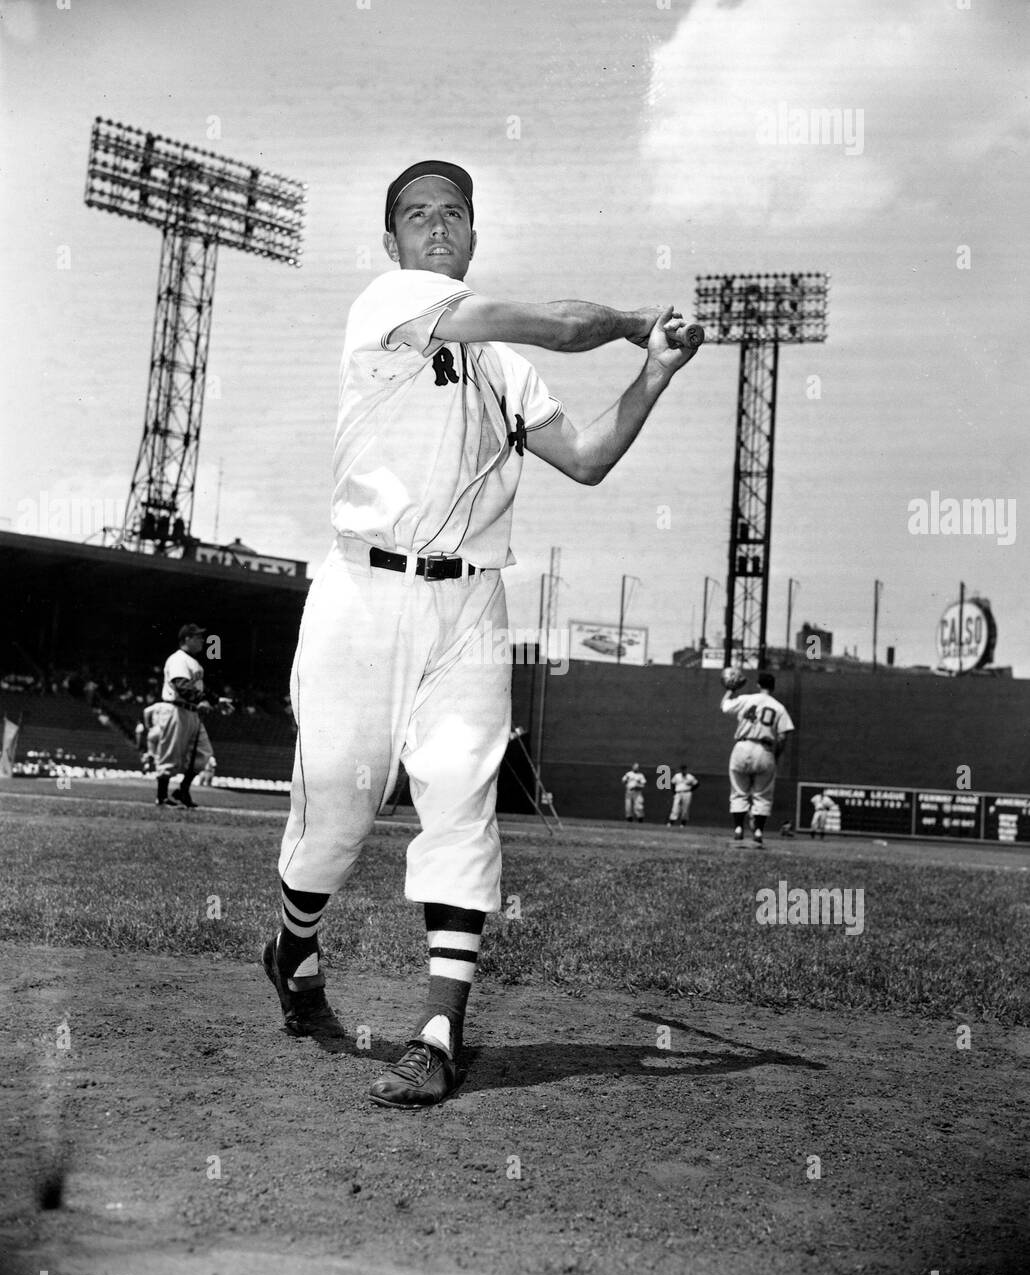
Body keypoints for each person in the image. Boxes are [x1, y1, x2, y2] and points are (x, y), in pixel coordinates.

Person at [264, 158, 704, 1109]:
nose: (436, 226)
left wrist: (655, 373)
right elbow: (562, 323)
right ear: (391, 241)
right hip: (363, 592)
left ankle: (438, 1033)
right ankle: (293, 948)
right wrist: (633, 321)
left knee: (464, 804)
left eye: (453, 213)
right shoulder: (387, 304)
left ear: (473, 234)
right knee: (334, 821)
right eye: (416, 214)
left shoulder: (507, 370)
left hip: (470, 601)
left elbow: (586, 459)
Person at [720, 672, 794, 848]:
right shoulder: (779, 707)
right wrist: (776, 756)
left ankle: (738, 828)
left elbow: (725, 706)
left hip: (742, 746)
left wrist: (730, 690)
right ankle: (758, 831)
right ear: (773, 687)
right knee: (762, 795)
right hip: (764, 749)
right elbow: (783, 736)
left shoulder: (746, 699)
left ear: (758, 685)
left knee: (738, 791)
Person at [152, 624, 215, 809]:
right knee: (170, 753)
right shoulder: (178, 659)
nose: (202, 640)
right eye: (198, 637)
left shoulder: (194, 662)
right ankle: (162, 797)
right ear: (187, 639)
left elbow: (199, 688)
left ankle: (182, 791)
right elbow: (181, 685)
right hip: (176, 710)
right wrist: (201, 700)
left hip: (192, 712)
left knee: (204, 753)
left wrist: (216, 700)